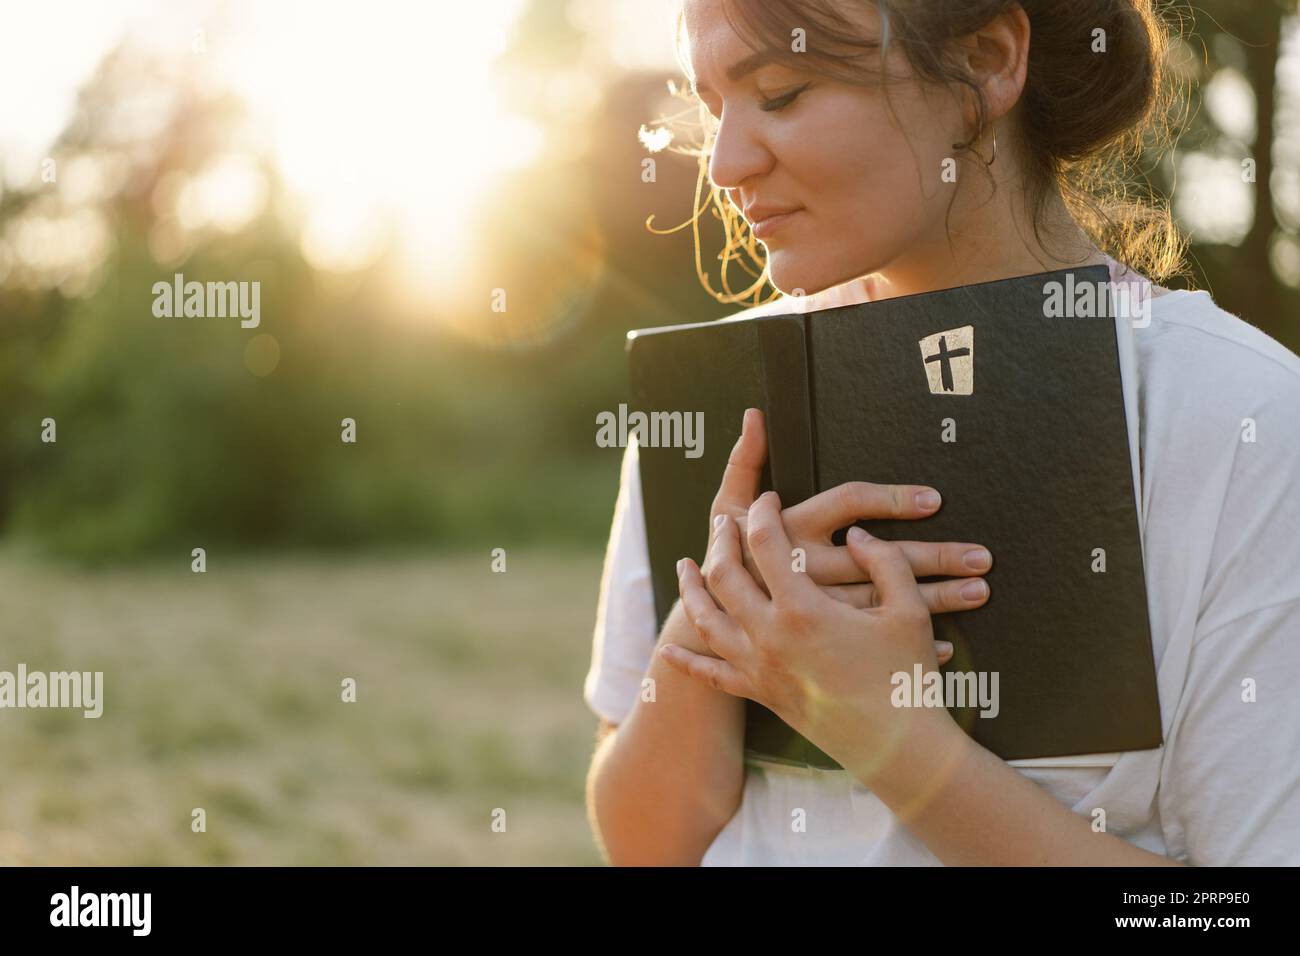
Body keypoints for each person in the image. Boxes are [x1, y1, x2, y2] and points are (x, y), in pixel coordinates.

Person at [584, 0, 1300, 865]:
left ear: (988, 63)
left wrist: (889, 739)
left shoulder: (1245, 423)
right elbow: (642, 844)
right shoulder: (719, 394)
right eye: (710, 107)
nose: (726, 164)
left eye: (779, 91)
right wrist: (713, 624)